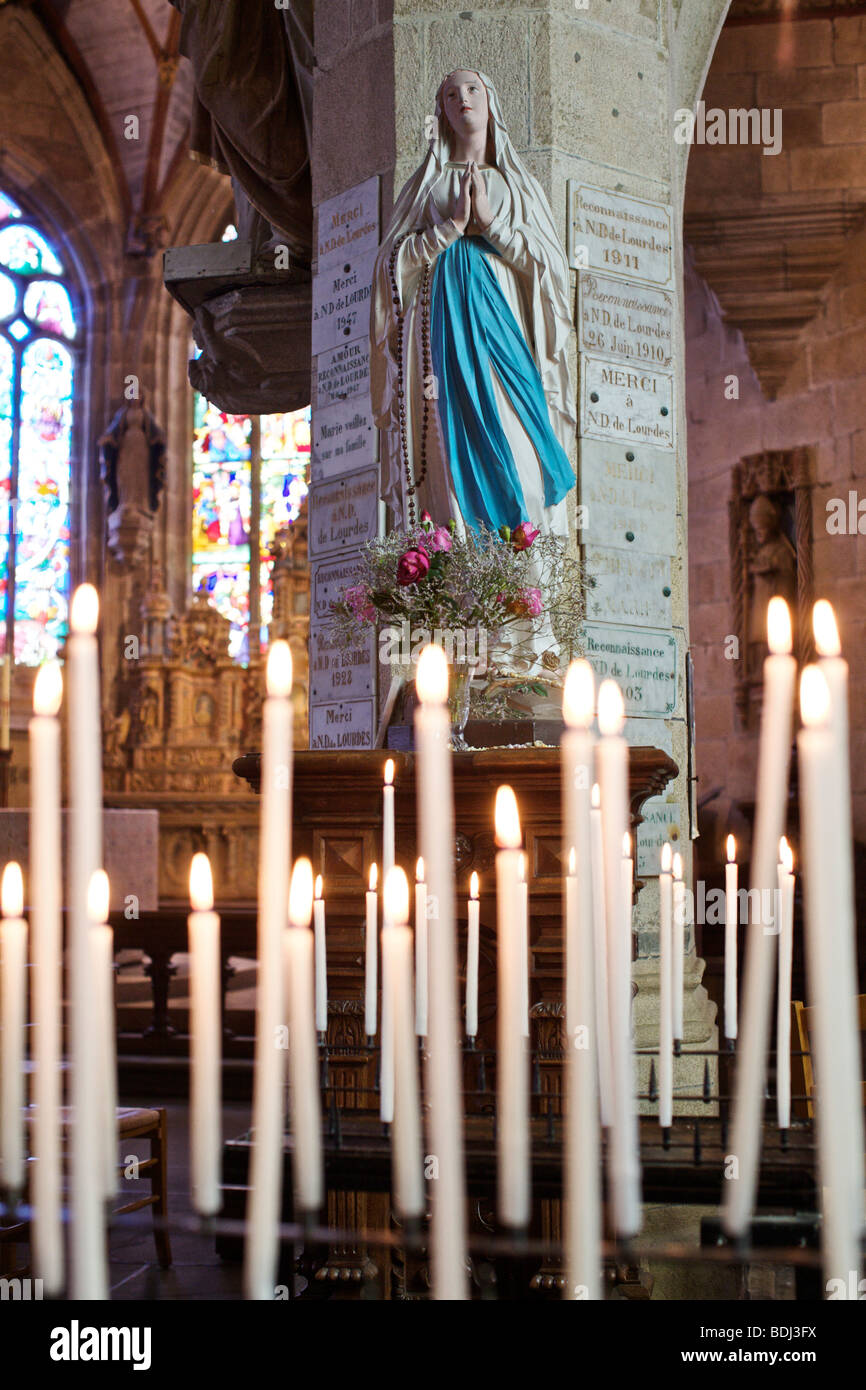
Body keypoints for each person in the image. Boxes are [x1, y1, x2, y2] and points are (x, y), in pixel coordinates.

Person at [370, 69, 577, 673]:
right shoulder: (426, 186)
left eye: (473, 90)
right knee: (450, 472)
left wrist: (493, 227)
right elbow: (389, 273)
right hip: (443, 353)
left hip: (505, 343)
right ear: (439, 111)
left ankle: (527, 631)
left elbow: (549, 275)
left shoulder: (516, 186)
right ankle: (465, 631)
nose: (462, 100)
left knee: (521, 465)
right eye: (449, 93)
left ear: (492, 104)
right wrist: (448, 231)